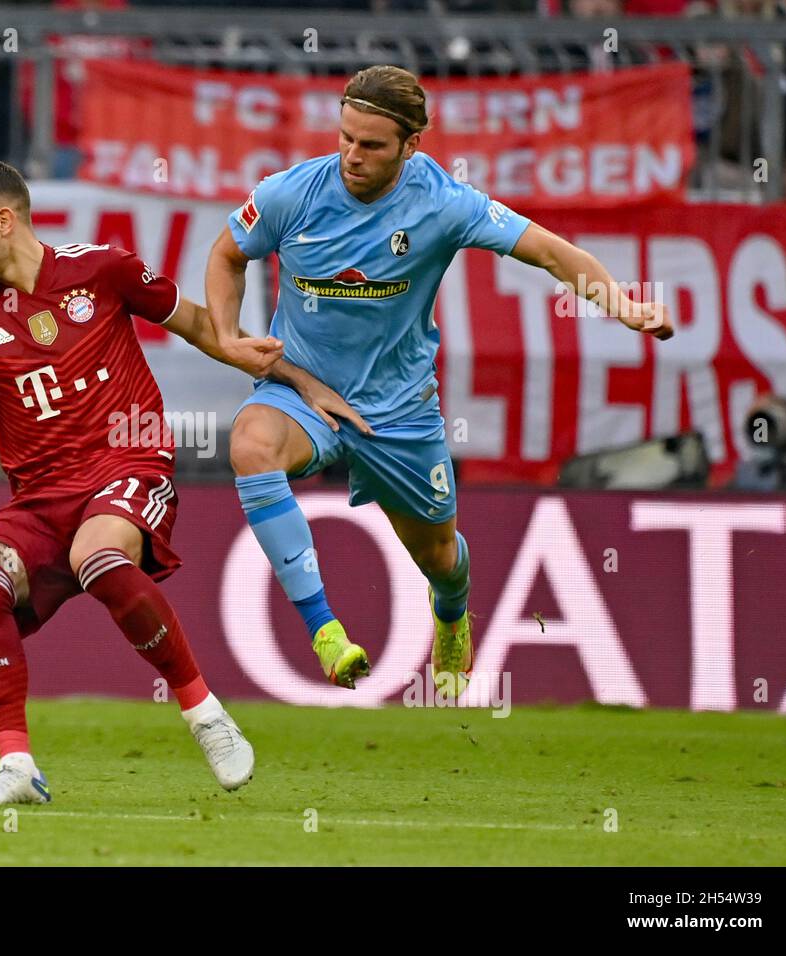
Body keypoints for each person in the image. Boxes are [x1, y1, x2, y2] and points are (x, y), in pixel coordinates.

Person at [205, 65, 674, 694]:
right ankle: (325, 631)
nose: (352, 155)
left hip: (399, 411)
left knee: (440, 558)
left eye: (371, 145)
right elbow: (227, 254)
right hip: (303, 393)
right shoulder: (292, 194)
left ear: (411, 145)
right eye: (345, 137)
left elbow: (553, 253)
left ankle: (451, 612)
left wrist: (624, 304)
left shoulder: (445, 204)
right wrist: (231, 336)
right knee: (250, 444)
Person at [0, 160, 314, 805]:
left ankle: (206, 715)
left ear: (4, 220)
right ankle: (17, 768)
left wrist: (237, 350)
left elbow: (198, 323)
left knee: (97, 555)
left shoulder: (103, 268)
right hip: (39, 498)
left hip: (127, 464)